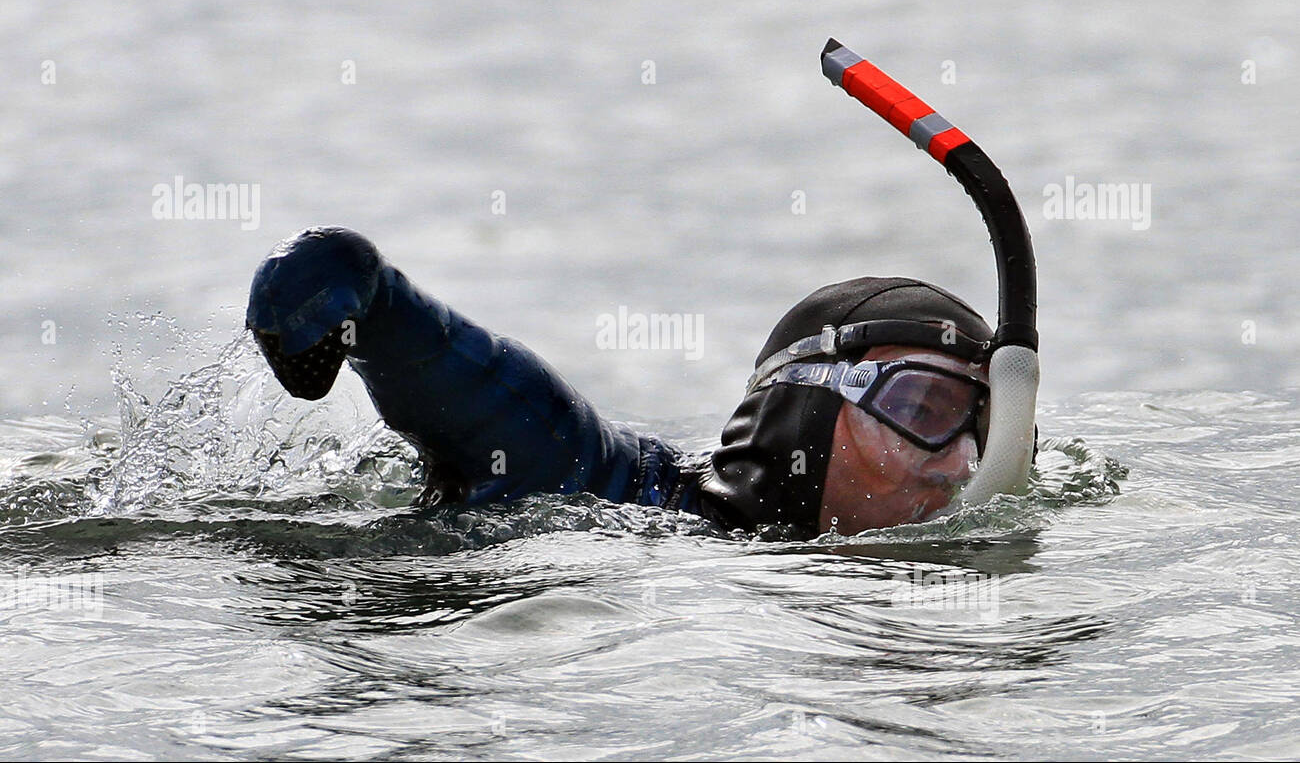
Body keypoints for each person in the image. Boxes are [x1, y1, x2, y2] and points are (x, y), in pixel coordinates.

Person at [246, 227, 995, 533]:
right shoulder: (598, 479)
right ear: (805, 408)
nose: (963, 462)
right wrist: (330, 295)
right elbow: (342, 271)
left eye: (985, 429)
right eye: (924, 406)